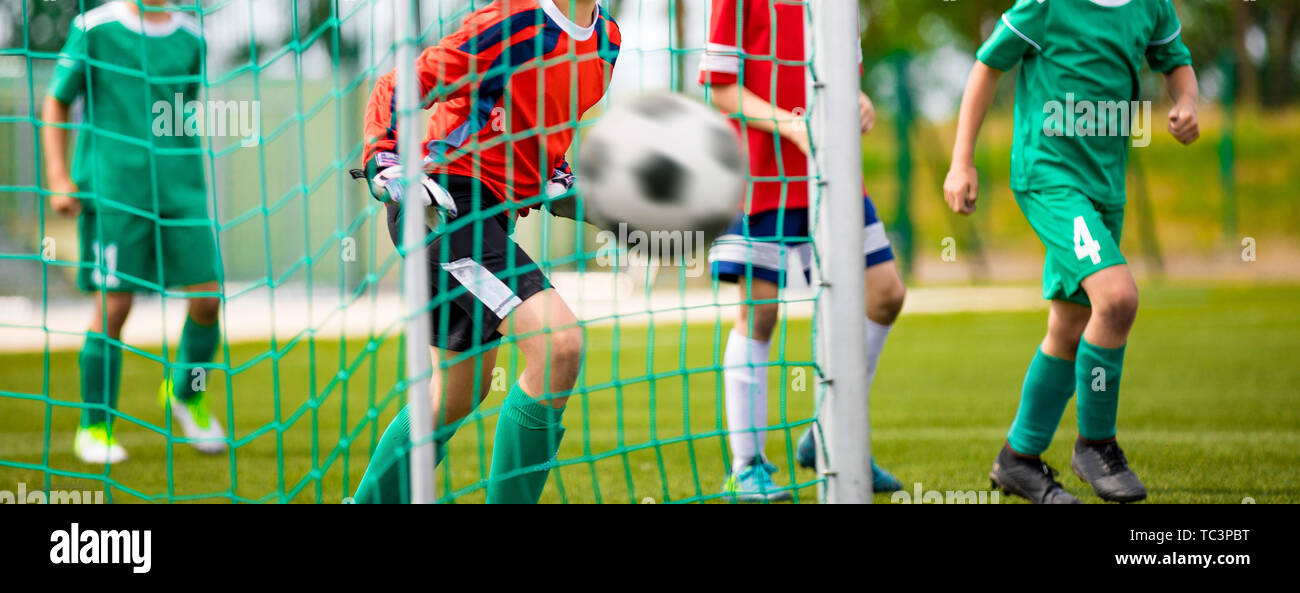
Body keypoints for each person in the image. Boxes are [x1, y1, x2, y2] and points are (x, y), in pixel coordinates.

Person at [351, 0, 619, 504]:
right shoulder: (513, 20)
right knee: (559, 345)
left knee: (452, 397)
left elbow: (538, 138)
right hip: (441, 206)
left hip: (489, 219)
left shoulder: (607, 42)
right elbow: (399, 86)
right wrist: (384, 160)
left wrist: (559, 183)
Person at [945, 0, 1199, 503]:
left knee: (1068, 327)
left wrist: (1187, 103)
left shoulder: (1151, 6)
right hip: (1050, 178)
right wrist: (961, 162)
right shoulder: (1046, 5)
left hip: (1106, 188)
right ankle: (1096, 444)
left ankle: (1018, 459)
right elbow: (986, 66)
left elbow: (1178, 65)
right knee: (1118, 298)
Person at [699, 0, 906, 502]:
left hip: (830, 175)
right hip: (759, 177)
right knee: (759, 311)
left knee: (885, 294)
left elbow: (838, 79)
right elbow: (719, 88)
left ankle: (833, 433)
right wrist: (790, 124)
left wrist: (859, 101)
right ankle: (746, 467)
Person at [42, 0, 225, 465]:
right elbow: (57, 99)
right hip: (114, 191)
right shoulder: (94, 28)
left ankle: (187, 393)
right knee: (115, 307)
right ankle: (95, 425)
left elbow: (181, 115)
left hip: (182, 191)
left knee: (207, 301)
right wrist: (60, 177)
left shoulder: (192, 38)